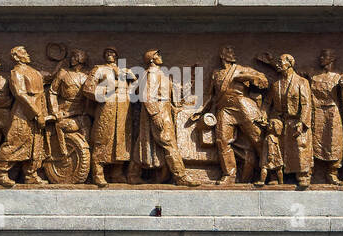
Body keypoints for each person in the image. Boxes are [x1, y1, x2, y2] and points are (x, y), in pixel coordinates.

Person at [195, 45, 267, 185]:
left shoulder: (241, 69)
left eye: (233, 51)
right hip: (225, 109)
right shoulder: (216, 73)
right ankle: (230, 174)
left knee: (258, 140)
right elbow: (210, 95)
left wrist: (248, 77)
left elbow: (264, 81)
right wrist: (200, 110)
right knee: (222, 141)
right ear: (222, 56)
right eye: (229, 52)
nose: (232, 54)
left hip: (243, 106)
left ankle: (269, 172)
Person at [129, 49, 197, 186]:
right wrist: (155, 115)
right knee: (168, 143)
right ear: (152, 59)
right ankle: (180, 176)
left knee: (143, 142)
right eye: (157, 55)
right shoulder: (152, 74)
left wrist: (192, 78)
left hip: (164, 109)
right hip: (158, 110)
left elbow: (176, 92)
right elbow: (147, 96)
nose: (161, 56)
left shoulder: (162, 74)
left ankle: (132, 174)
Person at [0, 46, 50, 187]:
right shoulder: (16, 72)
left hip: (38, 108)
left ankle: (30, 174)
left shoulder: (34, 71)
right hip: (24, 112)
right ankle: (0, 173)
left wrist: (43, 112)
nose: (27, 54)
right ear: (16, 57)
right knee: (16, 141)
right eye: (23, 53)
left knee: (35, 143)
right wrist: (36, 113)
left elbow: (44, 87)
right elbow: (20, 94)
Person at [83, 47, 135, 187]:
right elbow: (88, 88)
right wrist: (108, 90)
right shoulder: (99, 69)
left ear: (117, 56)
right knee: (103, 137)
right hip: (107, 107)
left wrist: (132, 82)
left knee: (121, 140)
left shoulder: (124, 70)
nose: (109, 55)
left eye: (112, 53)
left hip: (124, 108)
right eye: (107, 53)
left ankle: (116, 173)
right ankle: (98, 173)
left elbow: (135, 89)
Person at [269, 53, 313, 187]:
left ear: (290, 64)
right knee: (278, 148)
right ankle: (276, 174)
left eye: (280, 61)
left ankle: (303, 174)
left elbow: (306, 104)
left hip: (297, 121)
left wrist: (303, 122)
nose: (278, 64)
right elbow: (267, 102)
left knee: (300, 147)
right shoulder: (276, 84)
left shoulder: (301, 82)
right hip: (281, 121)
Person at [309, 48, 343, 184]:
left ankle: (332, 172)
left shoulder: (339, 76)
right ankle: (311, 171)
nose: (321, 58)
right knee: (314, 141)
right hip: (317, 112)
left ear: (332, 58)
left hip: (333, 113)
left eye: (324, 56)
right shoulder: (314, 76)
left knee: (334, 142)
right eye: (321, 55)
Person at [255, 117, 284, 186]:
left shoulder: (269, 137)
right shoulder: (276, 137)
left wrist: (270, 154)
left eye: (269, 125)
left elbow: (270, 146)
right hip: (277, 156)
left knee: (264, 167)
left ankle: (262, 181)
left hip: (269, 155)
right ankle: (281, 181)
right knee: (278, 168)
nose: (268, 126)